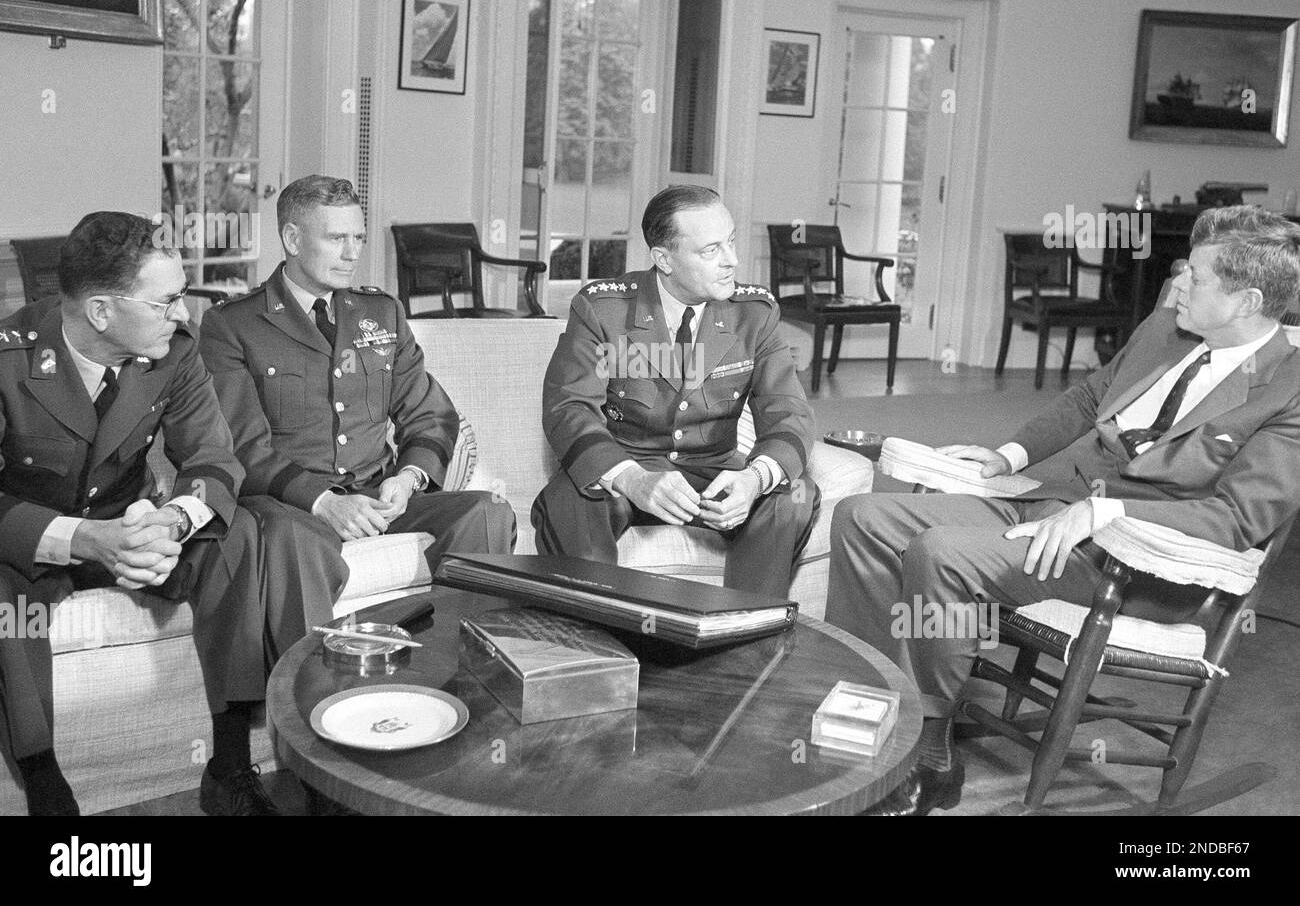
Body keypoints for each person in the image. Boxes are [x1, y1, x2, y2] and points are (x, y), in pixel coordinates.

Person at [827, 205, 1300, 815]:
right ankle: (869, 705)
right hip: (1054, 509)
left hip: (1141, 561)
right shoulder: (1168, 329)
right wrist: (1008, 455)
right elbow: (1088, 398)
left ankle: (929, 748)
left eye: (1197, 278)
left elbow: (1237, 520)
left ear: (1247, 300)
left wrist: (1111, 514)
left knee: (941, 554)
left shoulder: (1289, 393)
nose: (1177, 284)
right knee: (864, 517)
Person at [0, 212, 300, 816]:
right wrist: (87, 539)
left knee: (236, 531)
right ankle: (43, 782)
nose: (185, 315)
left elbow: (215, 459)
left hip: (135, 530)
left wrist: (172, 524)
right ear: (102, 312)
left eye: (182, 296)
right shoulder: (9, 359)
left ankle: (231, 761)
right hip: (40, 546)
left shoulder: (173, 353)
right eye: (167, 302)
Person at [198, 175, 515, 639]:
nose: (352, 253)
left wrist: (407, 480)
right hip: (295, 505)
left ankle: (467, 665)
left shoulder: (381, 313)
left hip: (380, 494)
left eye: (359, 238)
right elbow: (240, 445)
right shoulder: (233, 325)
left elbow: (429, 414)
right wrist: (323, 501)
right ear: (292, 238)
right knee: (292, 542)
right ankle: (311, 695)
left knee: (485, 512)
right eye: (336, 238)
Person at [531, 185, 819, 598]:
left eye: (732, 242)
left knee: (793, 493)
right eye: (711, 250)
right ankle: (593, 640)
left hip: (711, 468)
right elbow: (568, 407)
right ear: (663, 259)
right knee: (571, 496)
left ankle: (745, 629)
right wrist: (631, 479)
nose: (732, 261)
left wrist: (754, 480)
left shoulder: (754, 315)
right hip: (626, 465)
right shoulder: (603, 310)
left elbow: (789, 414)